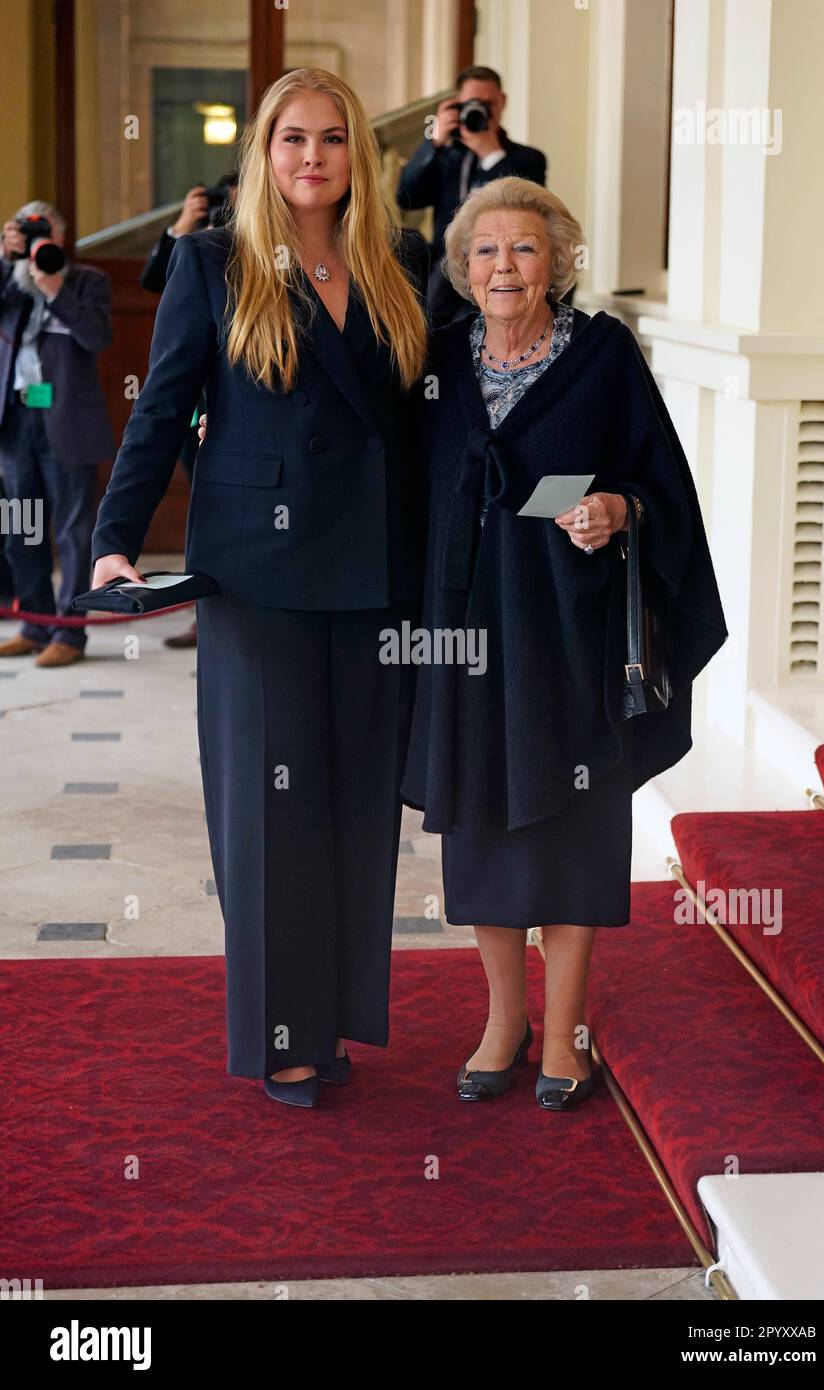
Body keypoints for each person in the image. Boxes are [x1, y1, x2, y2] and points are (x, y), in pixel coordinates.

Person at [89, 68, 430, 1110]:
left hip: (376, 572)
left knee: (354, 807)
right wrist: (111, 541)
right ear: (262, 152)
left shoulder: (397, 263)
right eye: (292, 138)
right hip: (260, 572)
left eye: (332, 138)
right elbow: (162, 413)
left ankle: (331, 1019)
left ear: (357, 156)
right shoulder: (210, 261)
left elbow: (427, 422)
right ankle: (281, 1036)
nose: (312, 157)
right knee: (272, 810)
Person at [398, 177, 729, 1111]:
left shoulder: (603, 357)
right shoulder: (434, 361)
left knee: (576, 832)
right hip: (464, 634)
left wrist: (617, 509)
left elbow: (662, 484)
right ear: (463, 269)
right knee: (482, 831)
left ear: (559, 263)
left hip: (569, 632)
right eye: (488, 251)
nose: (506, 265)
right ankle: (505, 1022)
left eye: (526, 249)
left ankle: (569, 1030)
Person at [0, 201, 114, 666]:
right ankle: (35, 623)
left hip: (66, 420)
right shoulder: (9, 281)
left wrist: (53, 289)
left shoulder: (87, 280)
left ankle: (69, 634)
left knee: (72, 532)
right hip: (17, 420)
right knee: (20, 530)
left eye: (44, 233)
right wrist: (6, 259)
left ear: (60, 237)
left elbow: (96, 337)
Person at [138, 176, 239, 651]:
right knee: (206, 505)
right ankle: (205, 609)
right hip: (190, 408)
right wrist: (183, 225)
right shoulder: (198, 250)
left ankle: (223, 609)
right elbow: (152, 280)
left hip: (242, 413)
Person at [397, 65, 546, 325]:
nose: (479, 111)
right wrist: (433, 142)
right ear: (456, 106)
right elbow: (406, 197)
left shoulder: (527, 160)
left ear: (502, 103)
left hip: (499, 267)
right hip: (443, 270)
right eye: (471, 104)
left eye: (487, 104)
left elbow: (528, 210)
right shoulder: (444, 156)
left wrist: (492, 156)